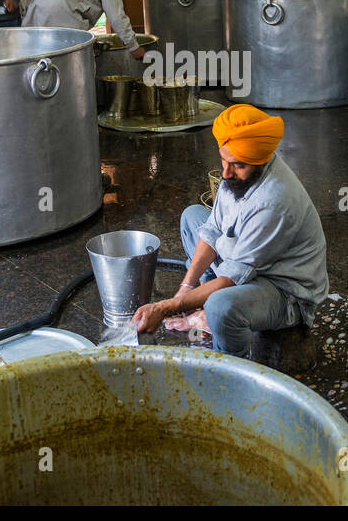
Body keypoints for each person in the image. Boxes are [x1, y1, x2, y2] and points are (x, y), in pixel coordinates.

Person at [131, 105, 329, 360]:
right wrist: (185, 288)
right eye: (223, 161)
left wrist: (166, 307)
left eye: (237, 166)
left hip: (284, 290)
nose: (225, 173)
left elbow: (234, 276)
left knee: (220, 305)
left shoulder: (273, 202)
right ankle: (206, 307)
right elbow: (213, 230)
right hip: (248, 262)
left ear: (260, 161)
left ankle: (228, 361)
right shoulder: (239, 170)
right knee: (192, 217)